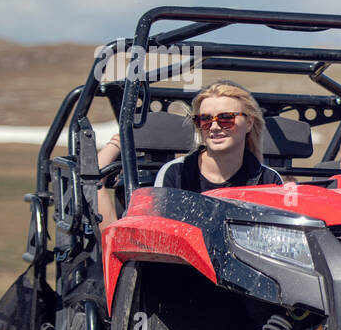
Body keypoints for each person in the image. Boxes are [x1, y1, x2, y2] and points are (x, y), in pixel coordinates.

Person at [96, 80, 283, 226]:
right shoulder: (175, 173)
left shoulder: (267, 180)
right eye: (205, 120)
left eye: (226, 119)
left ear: (249, 123)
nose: (215, 127)